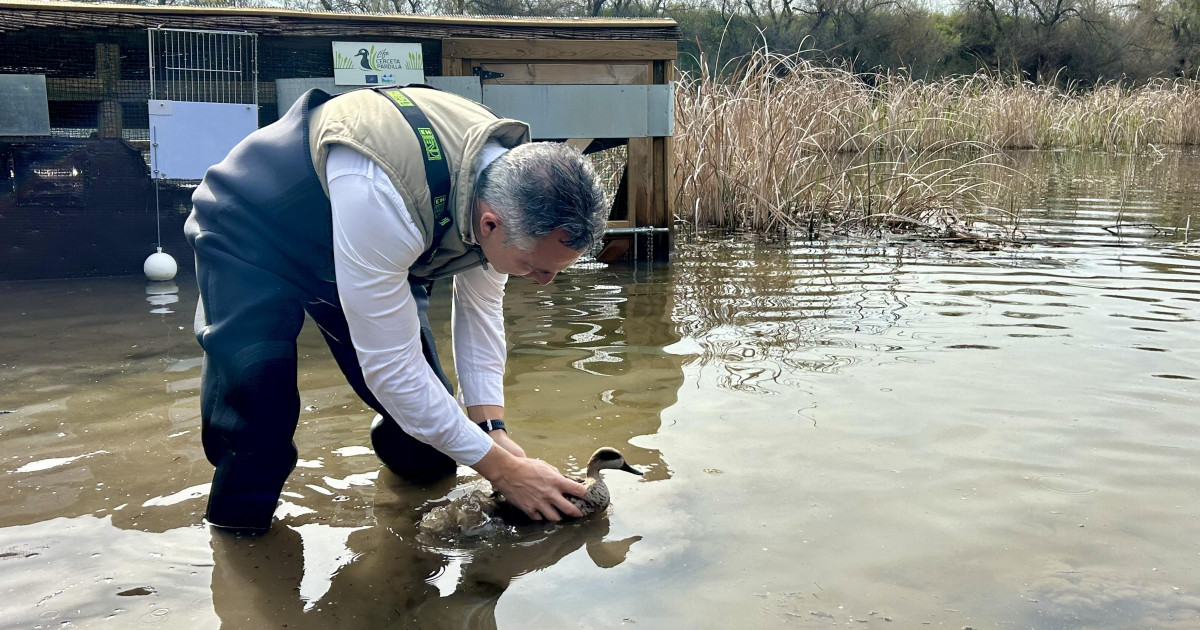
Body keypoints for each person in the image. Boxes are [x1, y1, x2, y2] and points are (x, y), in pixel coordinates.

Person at [185, 85, 609, 534]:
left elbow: (481, 311)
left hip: (369, 249)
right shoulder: (384, 195)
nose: (545, 281)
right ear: (489, 224)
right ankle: (237, 549)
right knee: (259, 424)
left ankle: (403, 522)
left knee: (434, 444)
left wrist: (493, 433)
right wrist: (502, 471)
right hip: (255, 235)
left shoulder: (510, 193)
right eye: (535, 267)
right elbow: (392, 368)